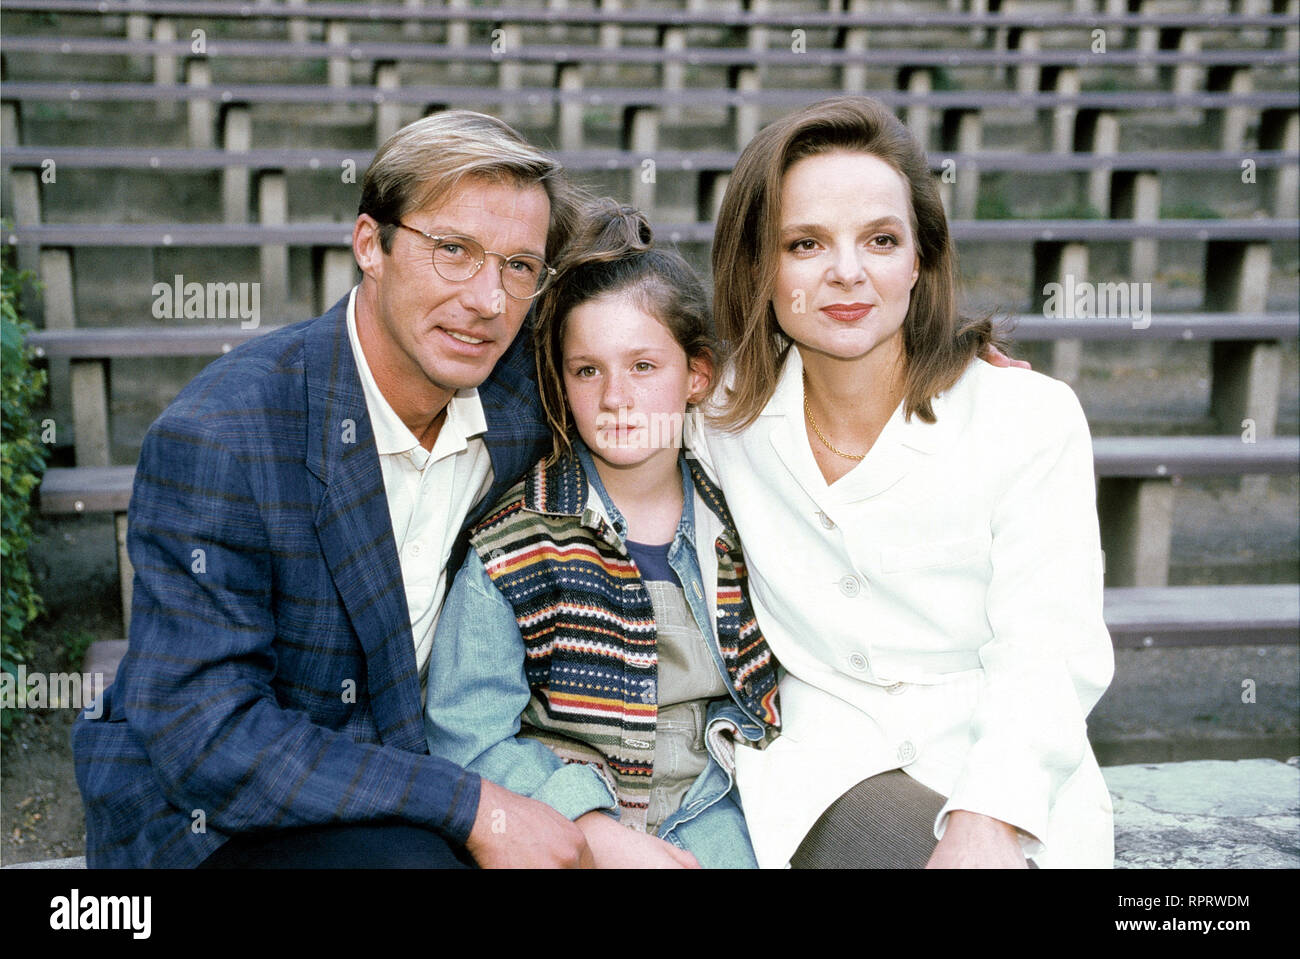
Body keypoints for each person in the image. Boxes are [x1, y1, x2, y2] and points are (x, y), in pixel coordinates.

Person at [72, 110, 607, 868]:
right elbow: (211, 737)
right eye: (453, 250)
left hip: (403, 769)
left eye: (518, 266)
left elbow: (627, 279)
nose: (488, 299)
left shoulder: (518, 401)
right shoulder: (223, 435)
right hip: (211, 815)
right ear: (370, 245)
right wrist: (473, 805)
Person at [687, 95, 1115, 868]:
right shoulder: (717, 419)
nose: (847, 273)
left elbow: (1049, 646)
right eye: (805, 243)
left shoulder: (1029, 416)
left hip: (1004, 769)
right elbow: (586, 352)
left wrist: (988, 814)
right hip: (828, 769)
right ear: (758, 264)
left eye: (881, 239)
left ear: (920, 257)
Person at [424, 201, 781, 869]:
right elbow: (465, 732)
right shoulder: (514, 542)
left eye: (644, 367)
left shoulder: (744, 515)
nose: (616, 396)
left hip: (719, 807)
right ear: (562, 384)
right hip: (564, 820)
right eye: (588, 370)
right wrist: (590, 826)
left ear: (697, 375)